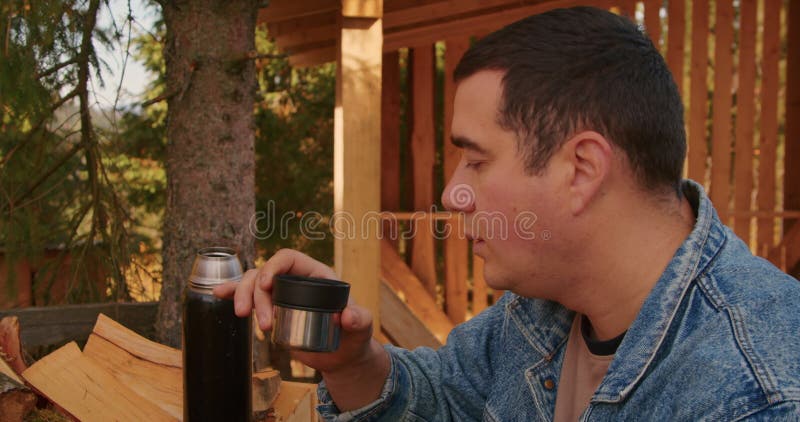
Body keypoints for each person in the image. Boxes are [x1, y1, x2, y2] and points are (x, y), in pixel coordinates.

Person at [215, 6, 800, 420]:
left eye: (475, 160)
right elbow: (447, 397)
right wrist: (351, 362)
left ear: (581, 170)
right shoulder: (542, 312)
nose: (451, 195)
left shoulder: (755, 393)